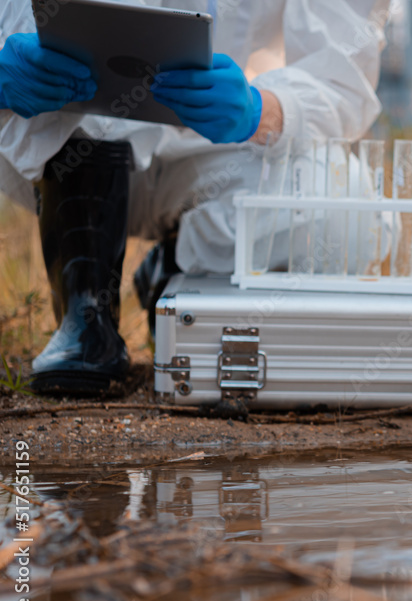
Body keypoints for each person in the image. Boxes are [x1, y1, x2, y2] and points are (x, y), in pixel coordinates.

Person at [0, 0, 391, 396]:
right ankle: (84, 312)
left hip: (206, 149)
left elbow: (342, 78)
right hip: (47, 157)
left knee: (347, 212)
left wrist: (262, 109)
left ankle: (179, 282)